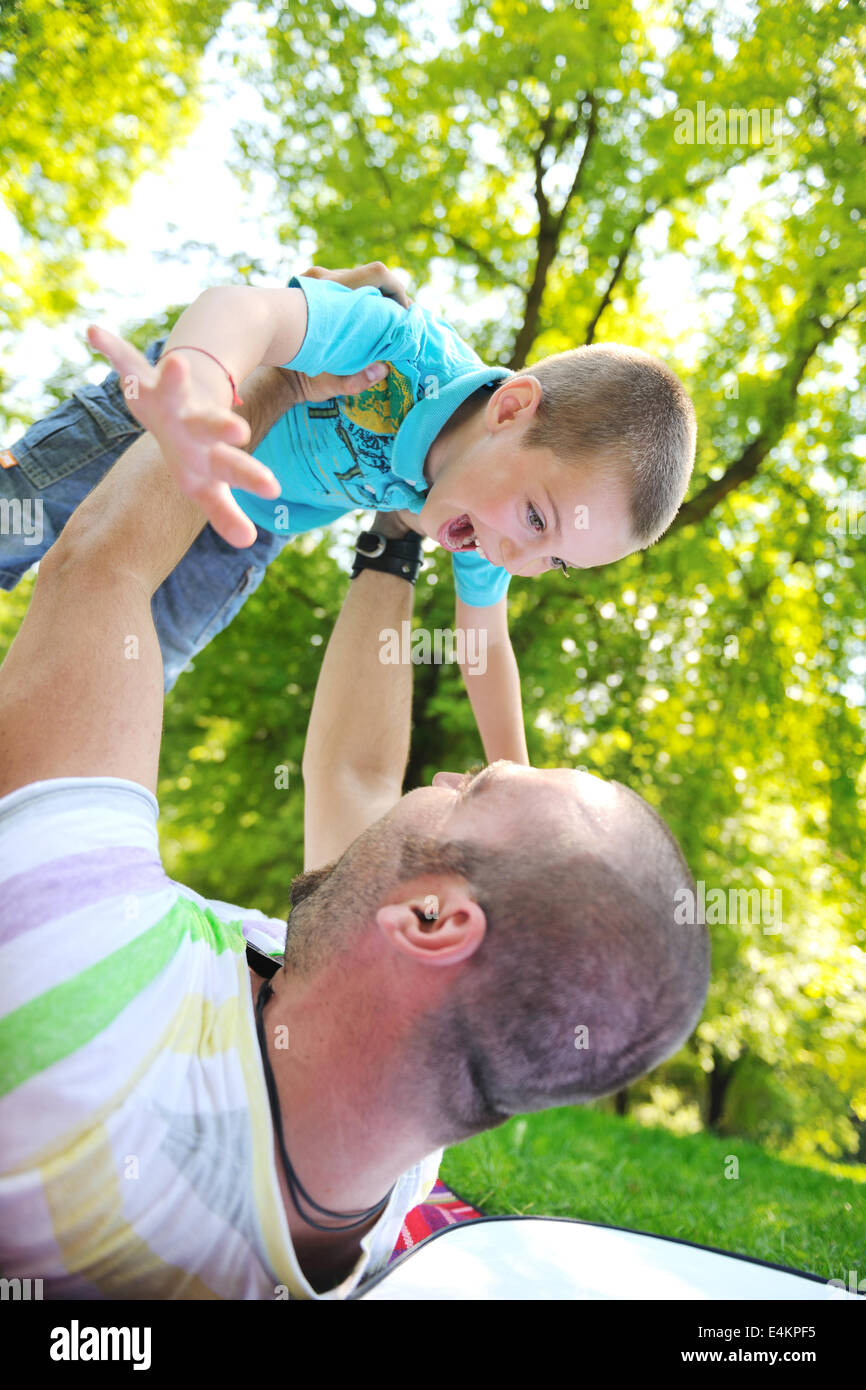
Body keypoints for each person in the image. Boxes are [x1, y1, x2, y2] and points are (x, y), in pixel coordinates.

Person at [0, 354, 709, 1299]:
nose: (444, 775)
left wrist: (269, 385)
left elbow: (104, 570)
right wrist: (396, 533)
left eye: (471, 794)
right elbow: (354, 775)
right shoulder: (390, 1159)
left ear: (432, 920)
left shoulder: (84, 986)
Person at [0, 261, 697, 765]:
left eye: (558, 562)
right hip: (180, 416)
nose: (518, 559)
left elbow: (484, 646)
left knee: (128, 671)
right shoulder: (401, 349)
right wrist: (201, 393)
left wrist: (513, 773)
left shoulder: (487, 523)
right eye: (538, 522)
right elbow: (245, 311)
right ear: (510, 411)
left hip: (244, 529)